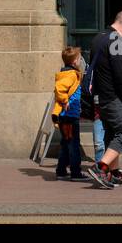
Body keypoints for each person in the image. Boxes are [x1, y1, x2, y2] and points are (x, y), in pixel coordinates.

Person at [84, 10, 122, 189]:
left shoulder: (99, 37)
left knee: (112, 133)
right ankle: (101, 167)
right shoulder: (116, 39)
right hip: (113, 96)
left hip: (100, 97)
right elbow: (119, 70)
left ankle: (114, 173)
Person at [52, 46, 84, 180]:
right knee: (73, 144)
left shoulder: (70, 73)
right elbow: (59, 88)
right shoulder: (70, 74)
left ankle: (61, 170)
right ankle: (75, 172)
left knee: (66, 142)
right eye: (79, 58)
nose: (81, 60)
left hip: (70, 114)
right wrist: (65, 101)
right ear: (74, 61)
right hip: (69, 115)